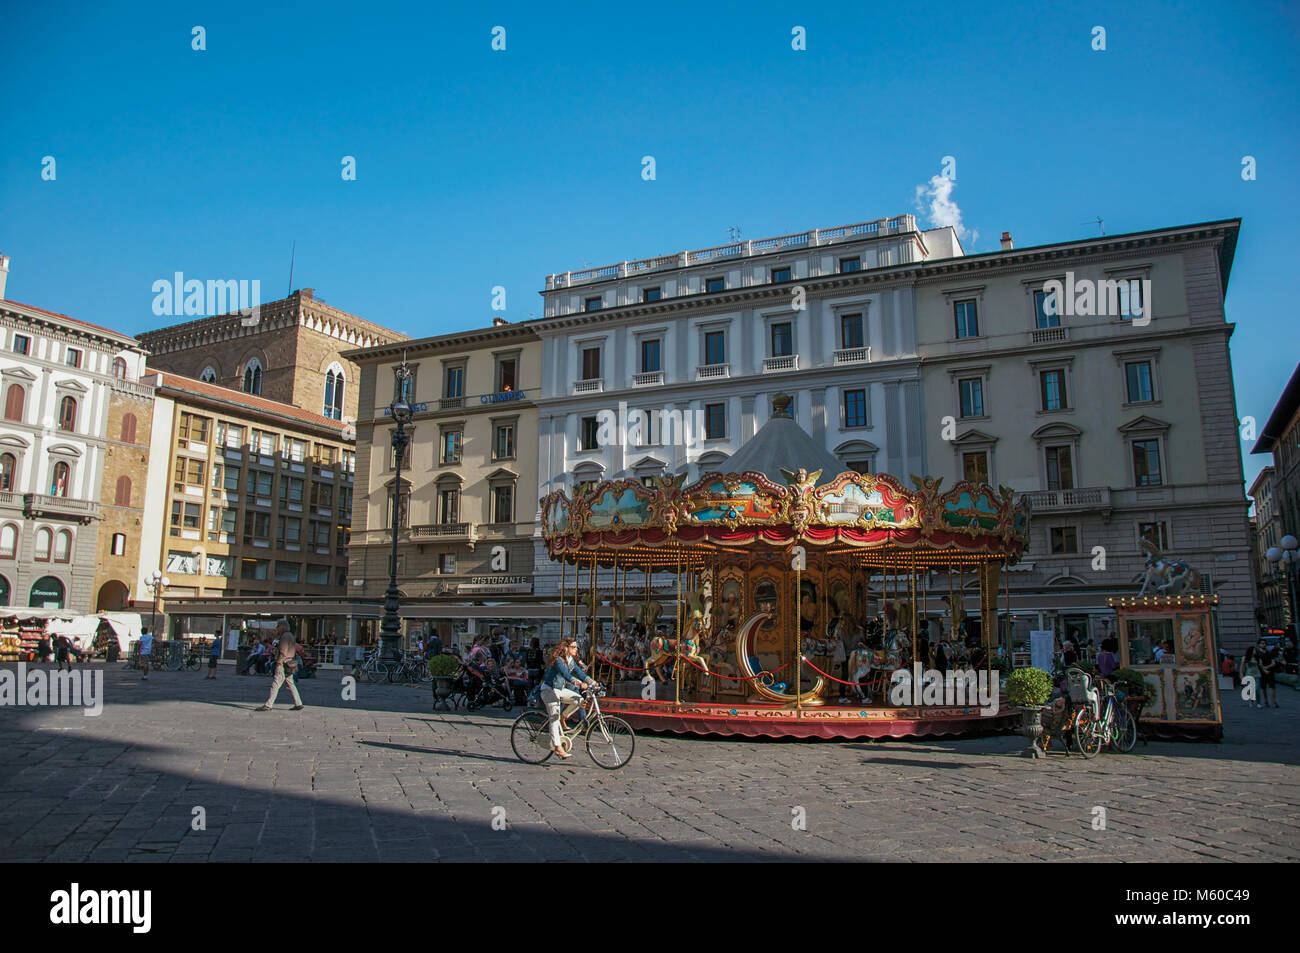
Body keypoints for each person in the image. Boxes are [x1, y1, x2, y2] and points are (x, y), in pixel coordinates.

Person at [540, 638, 594, 759]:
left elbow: (580, 673)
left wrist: (592, 682)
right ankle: (558, 747)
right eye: (573, 647)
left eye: (576, 647)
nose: (576, 649)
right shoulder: (559, 660)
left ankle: (564, 716)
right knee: (554, 717)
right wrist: (579, 683)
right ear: (566, 649)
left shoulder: (571, 661)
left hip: (559, 690)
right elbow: (566, 674)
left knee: (579, 700)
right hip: (549, 690)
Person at [256, 629, 304, 711]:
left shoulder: (284, 637)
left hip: (283, 662)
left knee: (276, 683)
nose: (276, 628)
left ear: (281, 627)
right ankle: (298, 703)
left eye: (278, 626)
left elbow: (283, 652)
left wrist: (279, 662)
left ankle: (268, 704)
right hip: (289, 661)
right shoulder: (291, 636)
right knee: (290, 683)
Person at [1258, 639, 1280, 708]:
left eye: (1264, 643)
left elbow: (1273, 663)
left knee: (1272, 687)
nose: (1263, 645)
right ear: (1259, 644)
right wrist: (1264, 669)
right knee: (1263, 687)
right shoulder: (1258, 654)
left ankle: (1273, 701)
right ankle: (1266, 701)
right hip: (1262, 673)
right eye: (1262, 643)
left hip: (1270, 672)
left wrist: (1266, 667)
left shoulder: (1269, 653)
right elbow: (1259, 664)